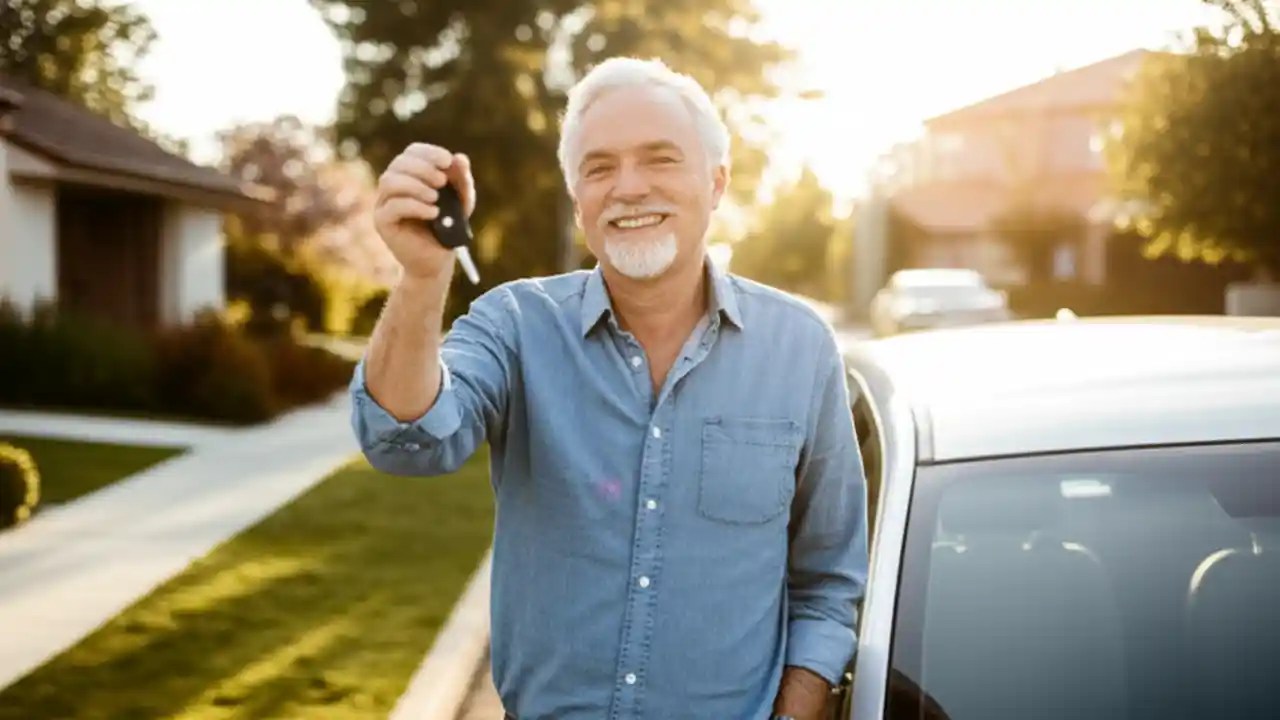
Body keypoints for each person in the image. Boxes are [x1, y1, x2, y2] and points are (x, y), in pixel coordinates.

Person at [349, 56, 869, 720]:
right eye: (599, 167)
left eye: (659, 159)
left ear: (716, 183)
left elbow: (827, 581)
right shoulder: (515, 325)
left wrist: (794, 712)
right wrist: (424, 277)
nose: (628, 187)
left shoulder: (800, 348)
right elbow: (404, 441)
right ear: (579, 201)